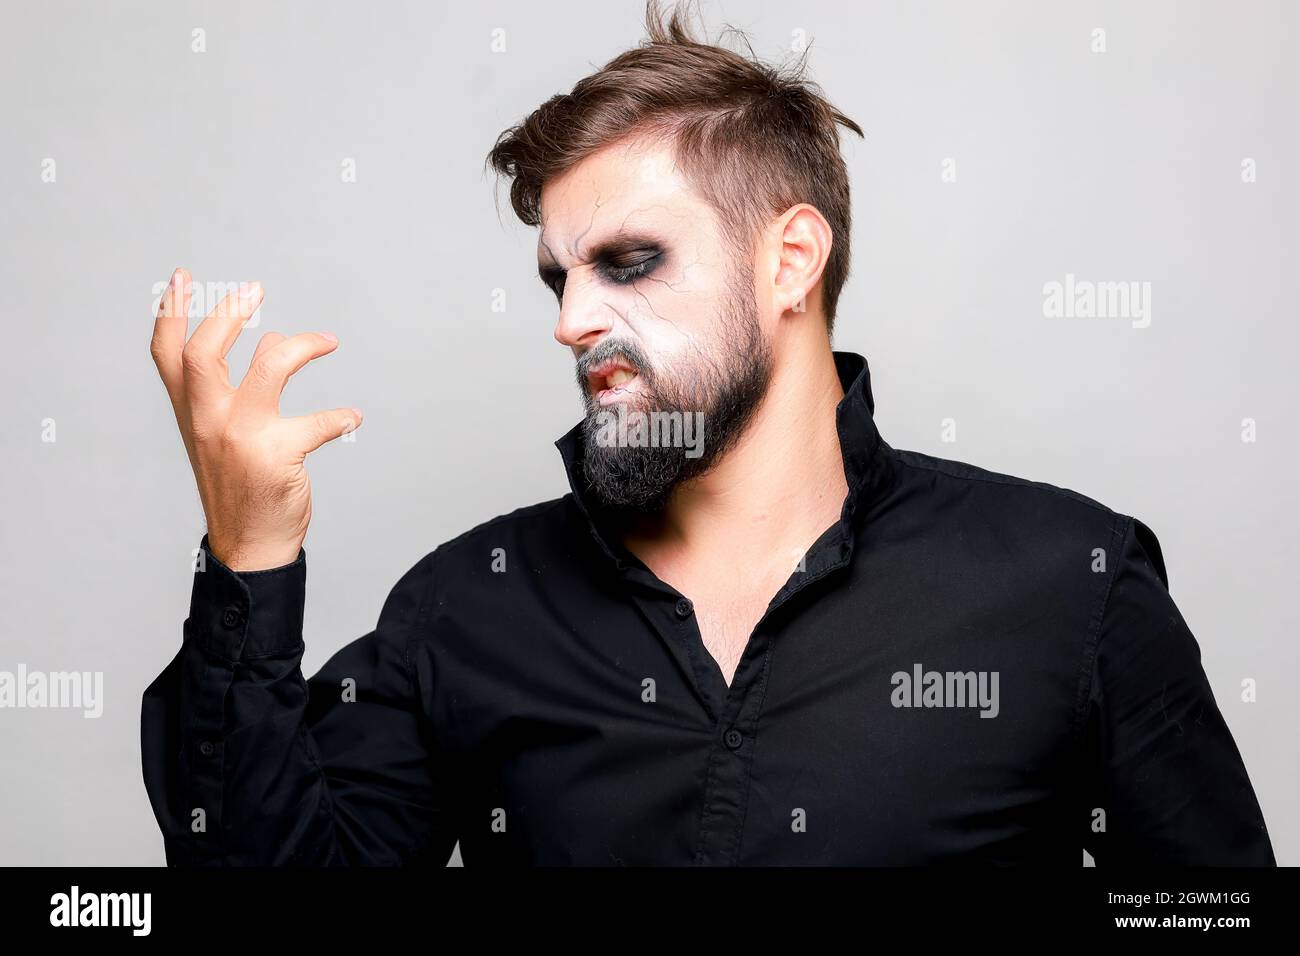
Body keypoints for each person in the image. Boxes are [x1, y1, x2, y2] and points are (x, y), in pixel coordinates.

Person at [141, 1, 1274, 865]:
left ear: (789, 259)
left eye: (629, 261)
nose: (574, 318)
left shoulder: (1066, 582)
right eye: (558, 277)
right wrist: (249, 558)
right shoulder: (466, 605)